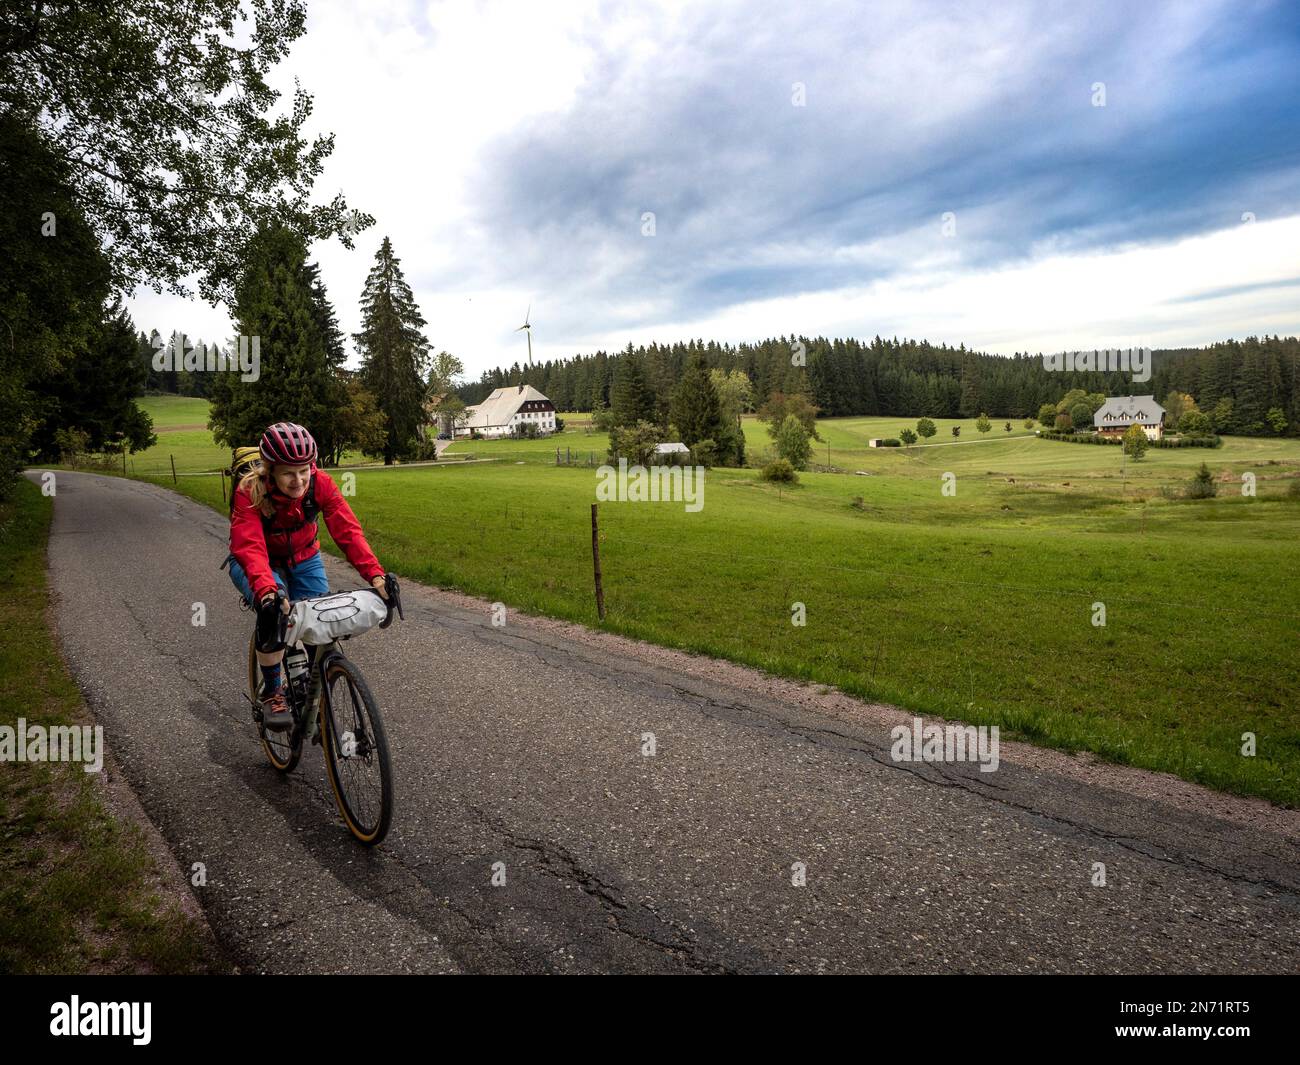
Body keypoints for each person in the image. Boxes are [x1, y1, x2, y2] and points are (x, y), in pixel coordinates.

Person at [227, 422, 387, 730]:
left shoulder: (320, 483)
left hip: (305, 558)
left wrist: (376, 575)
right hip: (256, 561)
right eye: (288, 472)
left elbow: (348, 531)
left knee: (322, 625)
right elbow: (250, 547)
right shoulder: (250, 491)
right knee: (274, 614)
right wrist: (268, 592)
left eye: (304, 470)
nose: (298, 480)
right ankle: (274, 692)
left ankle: (310, 688)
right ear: (270, 470)